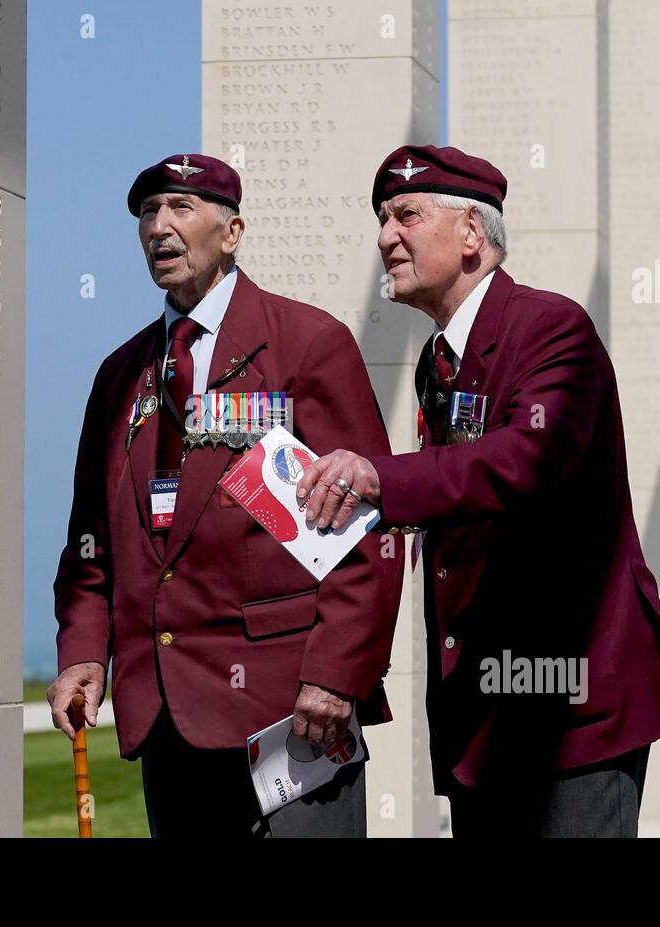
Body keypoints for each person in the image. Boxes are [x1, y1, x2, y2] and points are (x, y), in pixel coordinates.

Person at [296, 144, 660, 837]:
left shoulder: (552, 327)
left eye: (406, 215)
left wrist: (381, 476)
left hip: (571, 711)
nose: (384, 238)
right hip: (484, 717)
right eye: (381, 219)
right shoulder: (438, 364)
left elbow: (527, 456)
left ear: (472, 234)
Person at [49, 153, 403, 837]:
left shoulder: (307, 344)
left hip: (293, 714)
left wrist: (337, 674)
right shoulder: (119, 374)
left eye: (181, 208)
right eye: (149, 212)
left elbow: (370, 531)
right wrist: (83, 652)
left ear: (232, 231)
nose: (160, 226)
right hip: (167, 718)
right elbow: (88, 544)